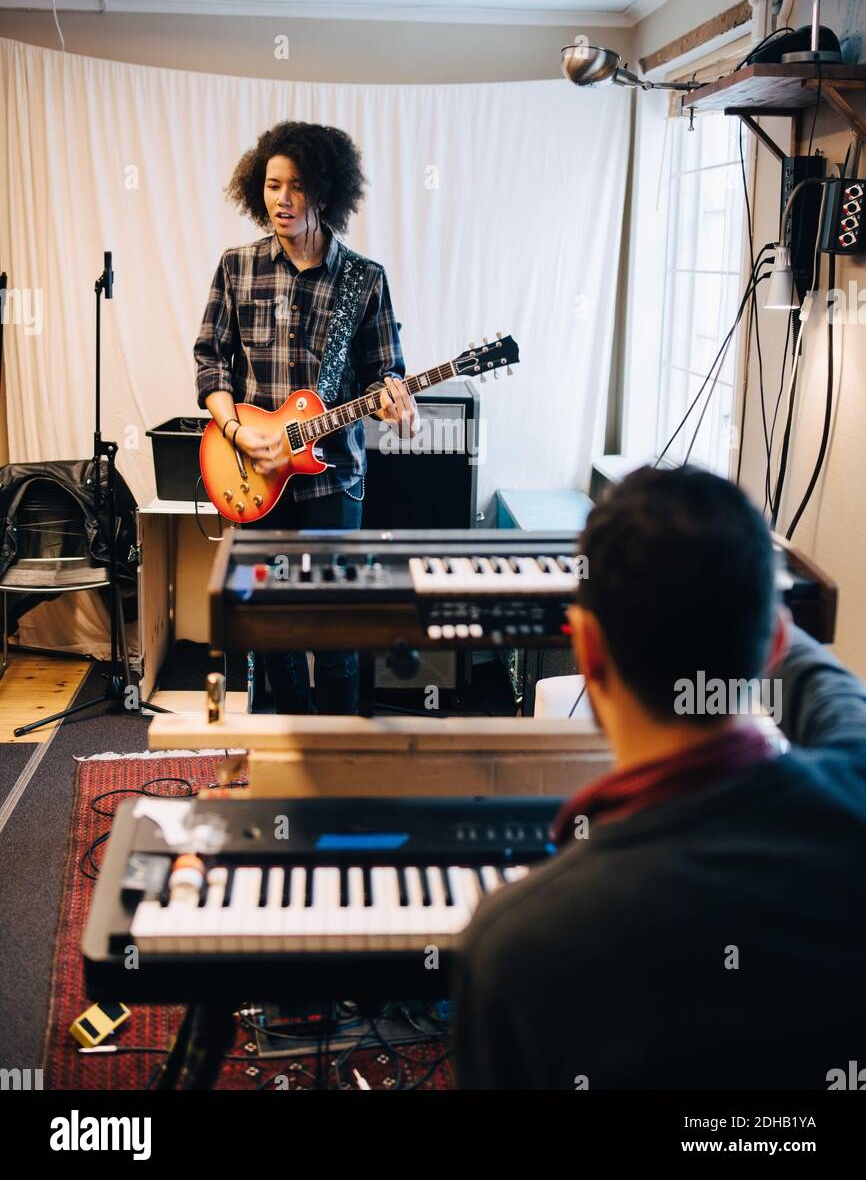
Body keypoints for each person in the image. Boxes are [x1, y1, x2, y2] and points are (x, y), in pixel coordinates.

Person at [454, 465, 866, 1089]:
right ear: (775, 645)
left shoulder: (515, 946)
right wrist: (749, 610)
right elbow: (836, 696)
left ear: (586, 651)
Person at [194, 121, 418, 714]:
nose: (282, 199)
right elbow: (210, 364)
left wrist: (396, 401)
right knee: (274, 628)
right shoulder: (236, 267)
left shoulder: (363, 279)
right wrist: (240, 434)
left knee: (333, 628)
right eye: (271, 185)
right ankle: (292, 749)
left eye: (296, 186)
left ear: (324, 193)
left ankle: (336, 757)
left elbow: (385, 372)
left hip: (332, 478)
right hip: (253, 474)